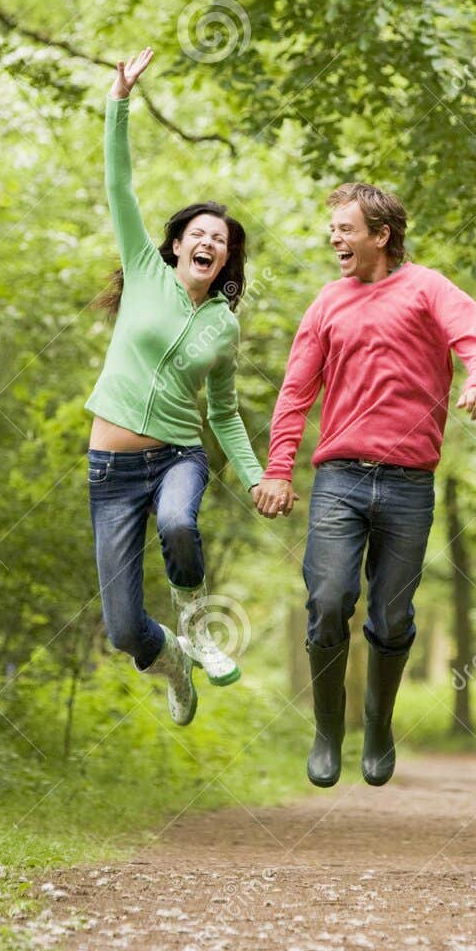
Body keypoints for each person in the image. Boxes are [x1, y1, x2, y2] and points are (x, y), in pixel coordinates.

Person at [253, 183, 476, 786]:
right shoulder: (326, 302)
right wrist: (277, 468)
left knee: (392, 617)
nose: (334, 238)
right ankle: (327, 730)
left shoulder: (429, 289)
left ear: (380, 235)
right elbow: (296, 392)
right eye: (333, 229)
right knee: (328, 600)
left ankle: (378, 721)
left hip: (409, 484)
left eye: (346, 229)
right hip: (339, 479)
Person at [86, 47, 276, 726]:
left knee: (177, 520)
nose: (208, 243)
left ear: (225, 260)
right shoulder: (144, 269)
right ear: (174, 246)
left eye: (219, 241)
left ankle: (196, 627)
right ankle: (171, 660)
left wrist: (255, 476)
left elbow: (223, 415)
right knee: (123, 628)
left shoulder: (224, 327)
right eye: (198, 233)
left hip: (176, 455)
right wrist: (120, 100)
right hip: (110, 467)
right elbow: (119, 186)